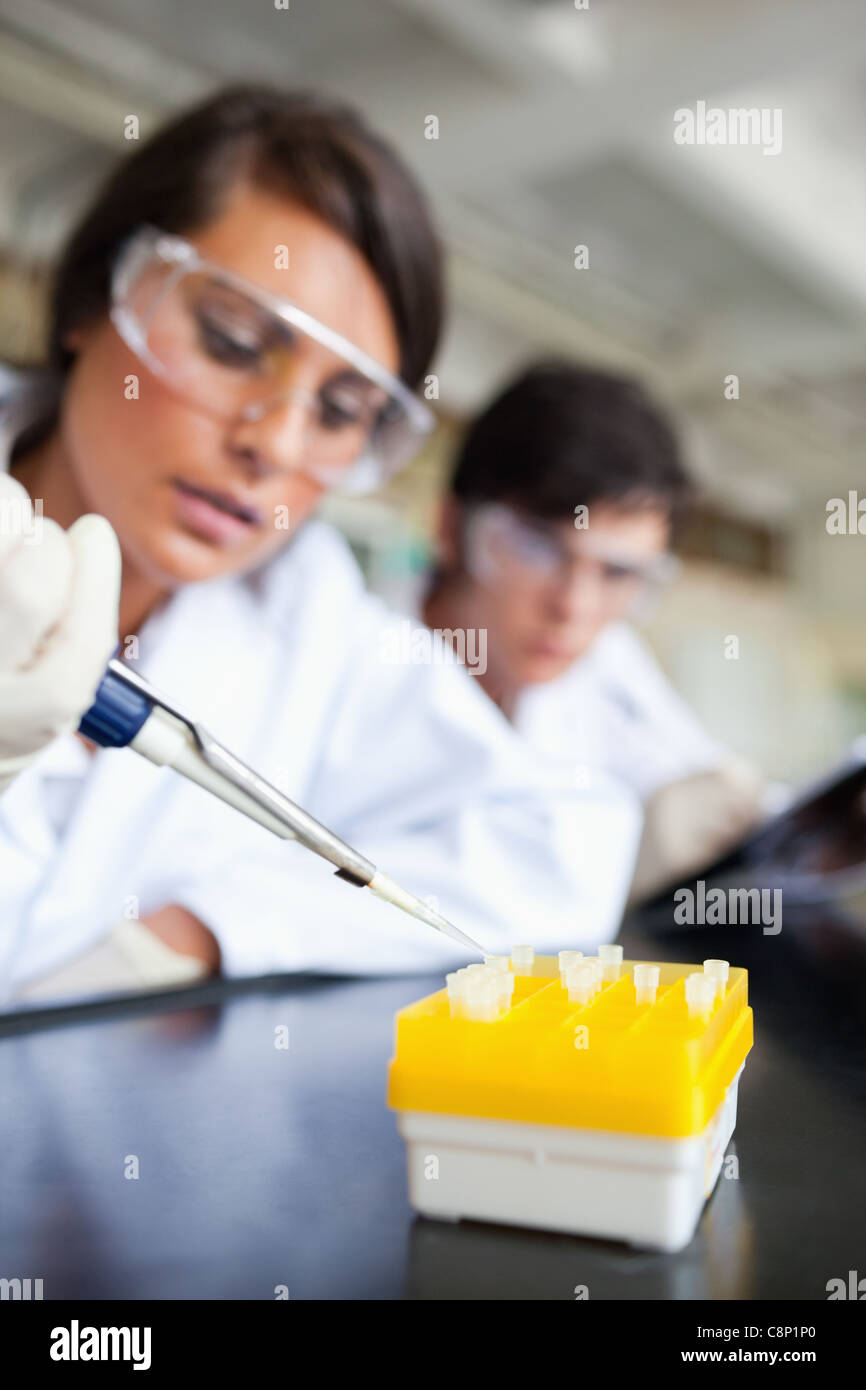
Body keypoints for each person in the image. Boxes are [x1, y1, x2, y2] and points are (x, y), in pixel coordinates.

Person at [0, 92, 641, 1001]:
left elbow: (559, 841)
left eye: (342, 412)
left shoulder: (305, 611)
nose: (279, 446)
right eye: (230, 341)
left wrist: (208, 933)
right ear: (96, 294)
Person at [423, 360, 765, 901]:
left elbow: (705, 779)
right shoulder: (354, 655)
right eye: (538, 548)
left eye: (619, 573)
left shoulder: (609, 662)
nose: (573, 607)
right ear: (449, 527)